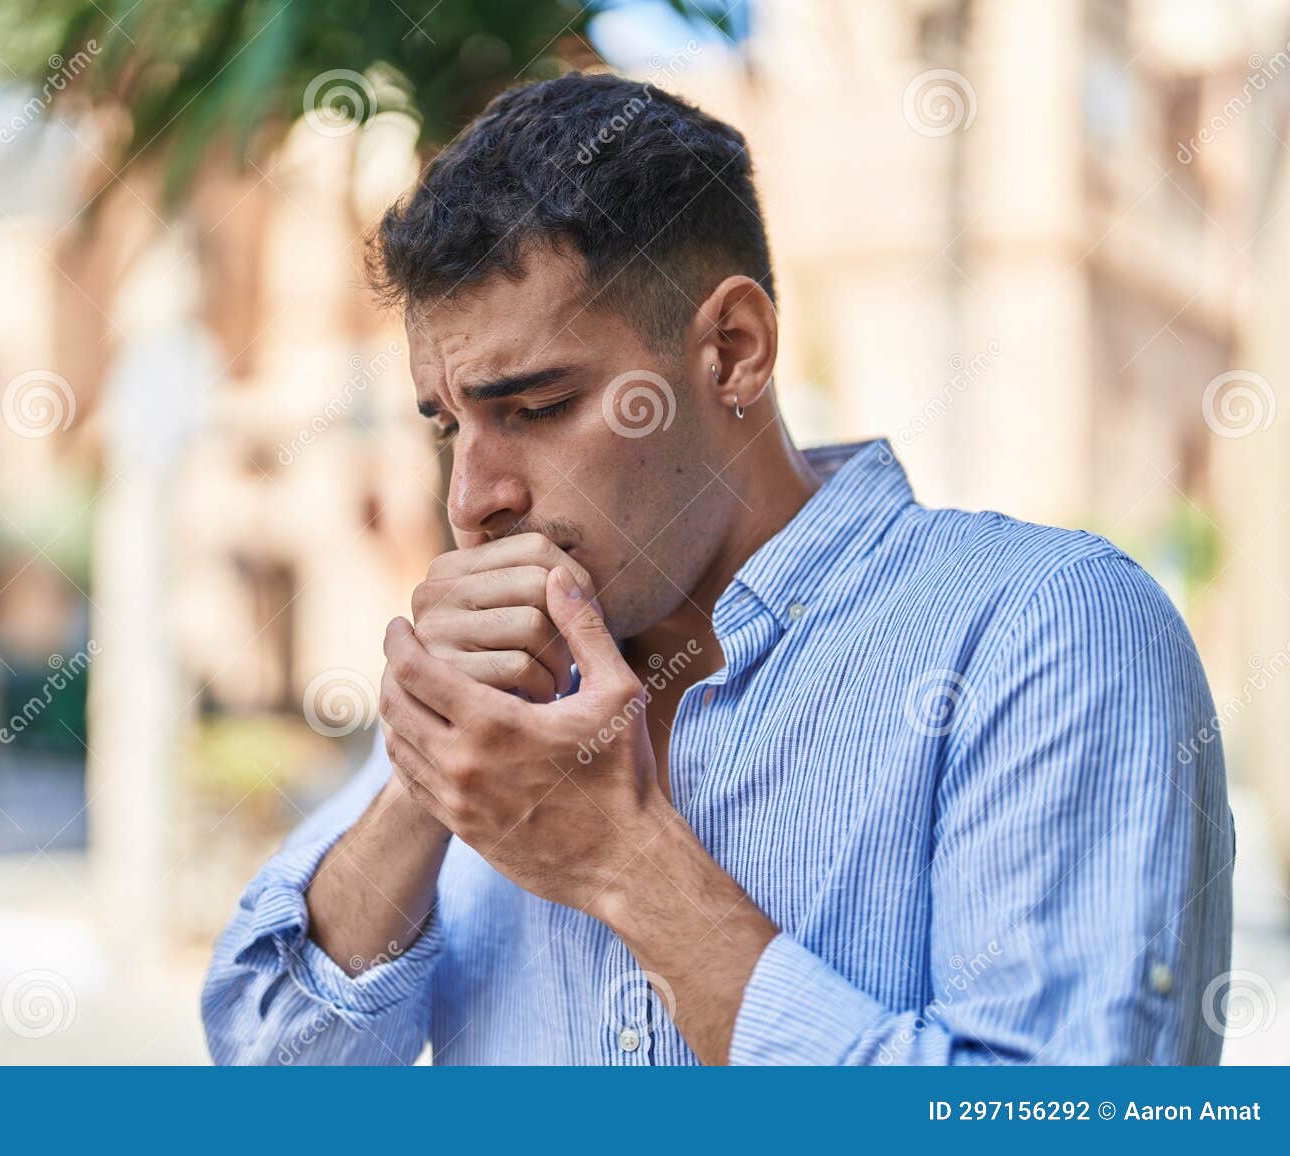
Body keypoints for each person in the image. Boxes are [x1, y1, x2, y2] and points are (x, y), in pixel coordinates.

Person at [201, 72, 1232, 1065]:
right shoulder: (502, 685)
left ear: (735, 350)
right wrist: (428, 779)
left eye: (538, 406)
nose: (471, 498)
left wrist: (621, 861)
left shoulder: (1045, 630)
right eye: (447, 424)